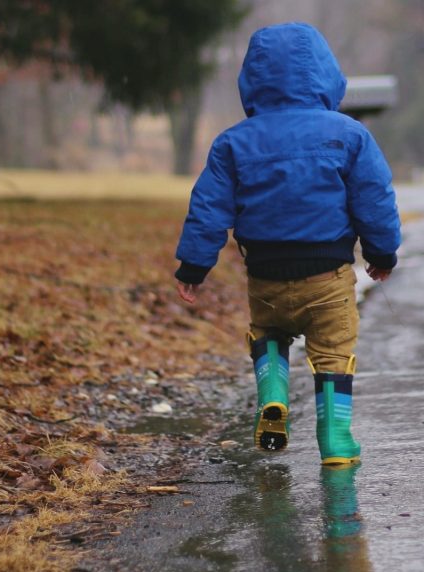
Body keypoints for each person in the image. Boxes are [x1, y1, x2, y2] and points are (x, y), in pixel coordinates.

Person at [173, 22, 401, 465]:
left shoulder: (234, 142)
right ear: (324, 74)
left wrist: (193, 268)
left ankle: (273, 394)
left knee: (269, 334)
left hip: (266, 276)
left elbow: (209, 208)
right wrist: (381, 254)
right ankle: (335, 440)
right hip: (328, 277)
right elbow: (374, 199)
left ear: (253, 79)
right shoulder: (349, 134)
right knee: (333, 351)